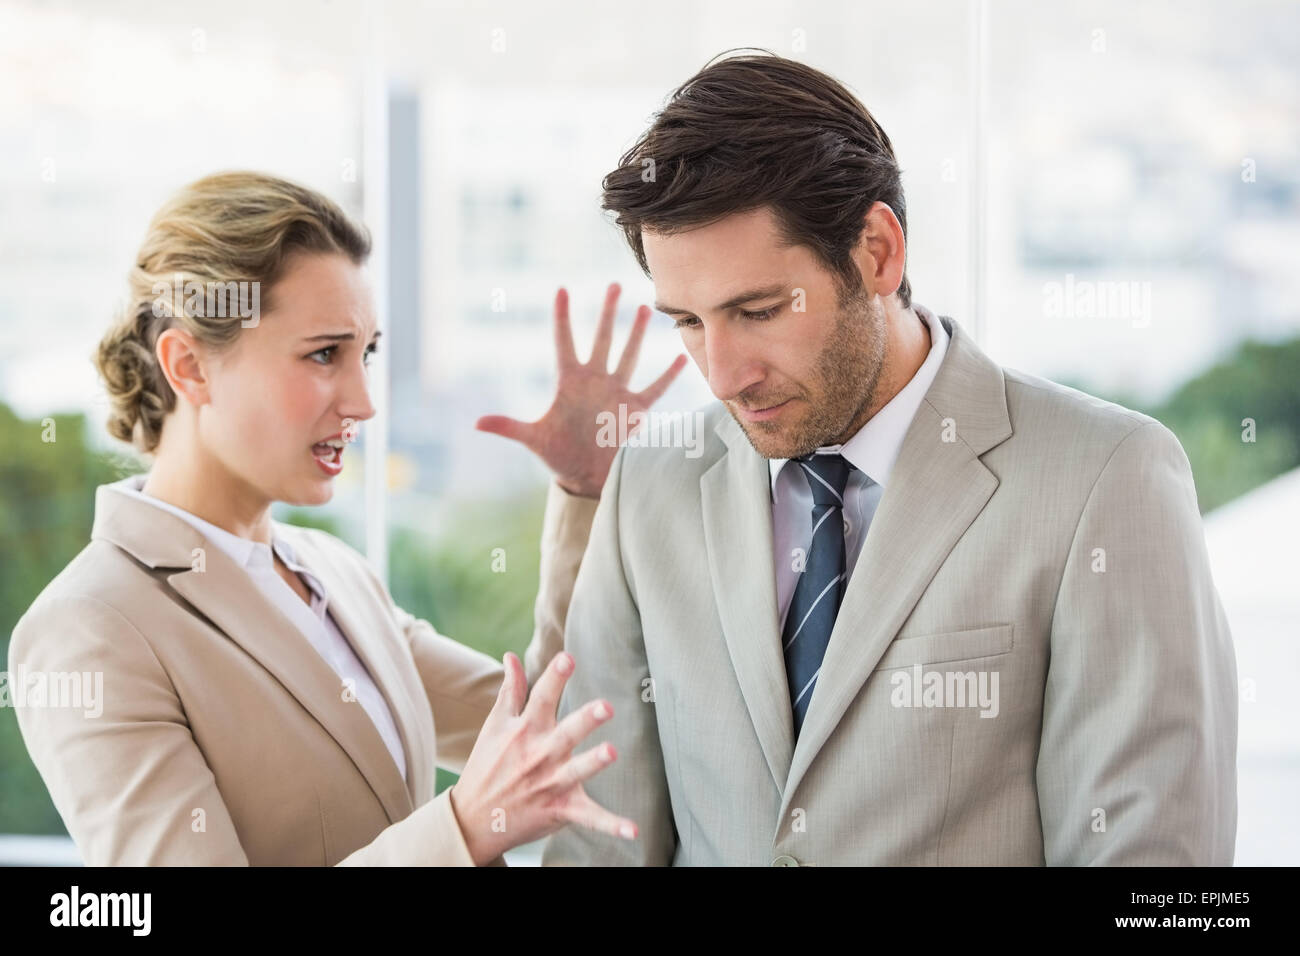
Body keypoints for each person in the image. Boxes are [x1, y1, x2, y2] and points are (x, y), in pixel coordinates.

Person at [542, 51, 1238, 866]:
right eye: (688, 323)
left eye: (758, 310)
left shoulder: (1106, 478)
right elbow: (595, 847)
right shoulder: (648, 486)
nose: (723, 375)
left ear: (877, 251)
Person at [8, 170, 685, 865]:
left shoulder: (333, 574)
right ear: (189, 366)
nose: (363, 401)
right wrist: (463, 830)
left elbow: (544, 727)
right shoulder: (87, 631)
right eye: (324, 353)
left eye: (366, 353)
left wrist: (580, 490)